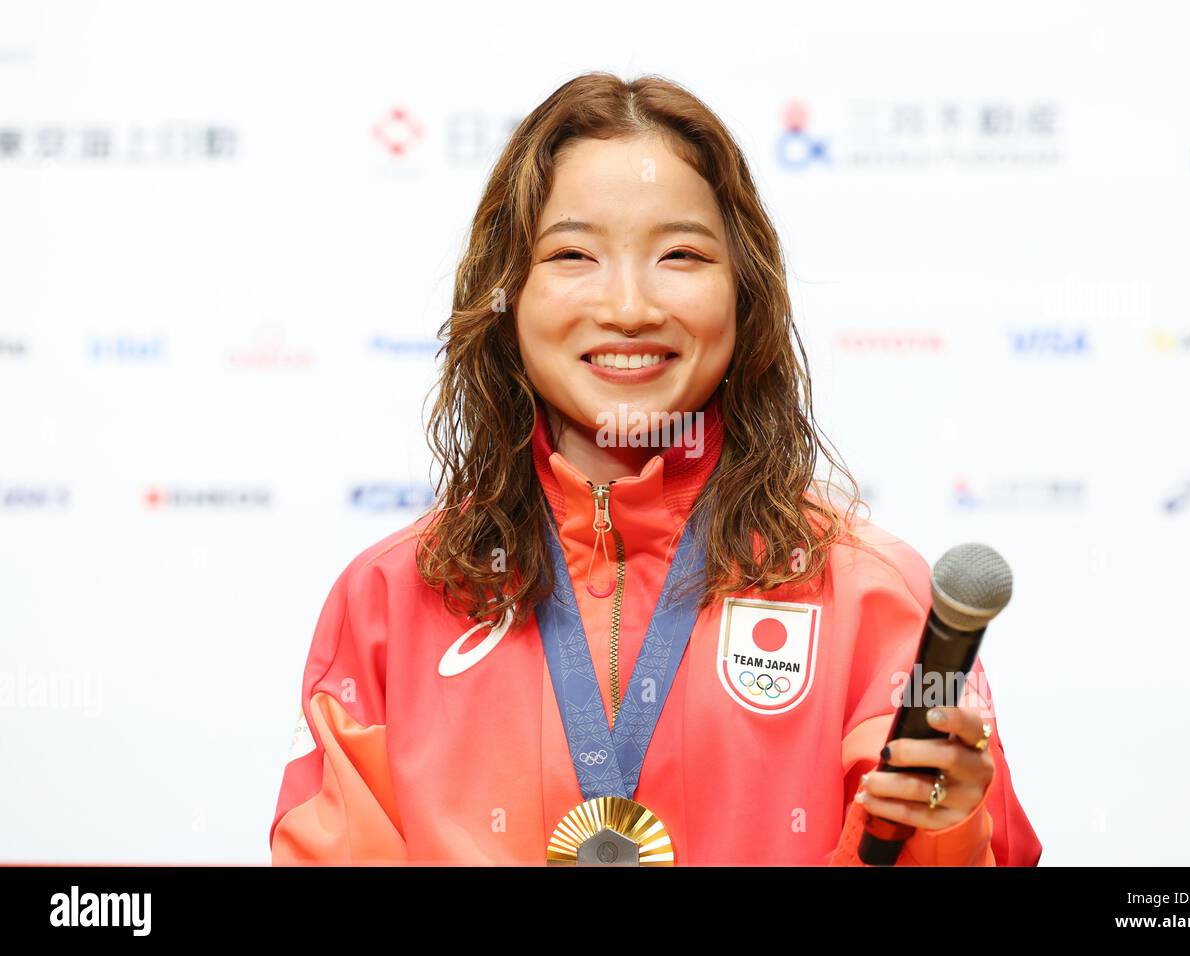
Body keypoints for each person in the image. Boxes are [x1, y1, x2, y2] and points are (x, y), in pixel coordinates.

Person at [269, 71, 1042, 867]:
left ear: (744, 292)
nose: (630, 306)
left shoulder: (874, 596)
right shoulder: (390, 601)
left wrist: (940, 829)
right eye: (573, 253)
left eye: (680, 254)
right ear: (506, 294)